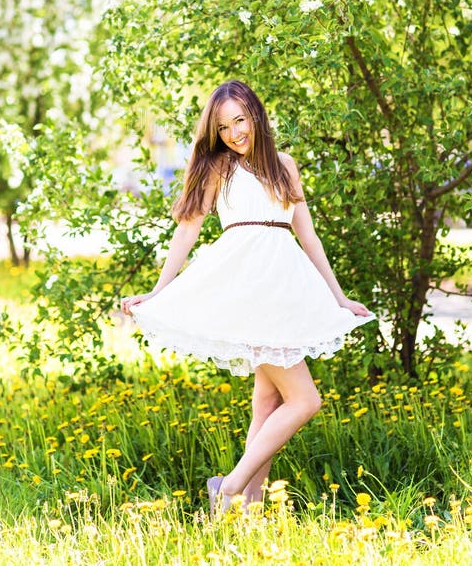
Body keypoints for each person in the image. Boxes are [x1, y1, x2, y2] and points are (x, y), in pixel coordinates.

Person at [121, 80, 376, 514]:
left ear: (256, 114)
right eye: (223, 128)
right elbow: (188, 229)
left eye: (239, 120)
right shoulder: (219, 169)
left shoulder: (284, 166)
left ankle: (247, 508)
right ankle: (231, 486)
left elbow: (307, 235)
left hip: (283, 288)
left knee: (268, 401)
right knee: (305, 400)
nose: (234, 133)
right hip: (248, 287)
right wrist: (158, 291)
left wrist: (339, 297)